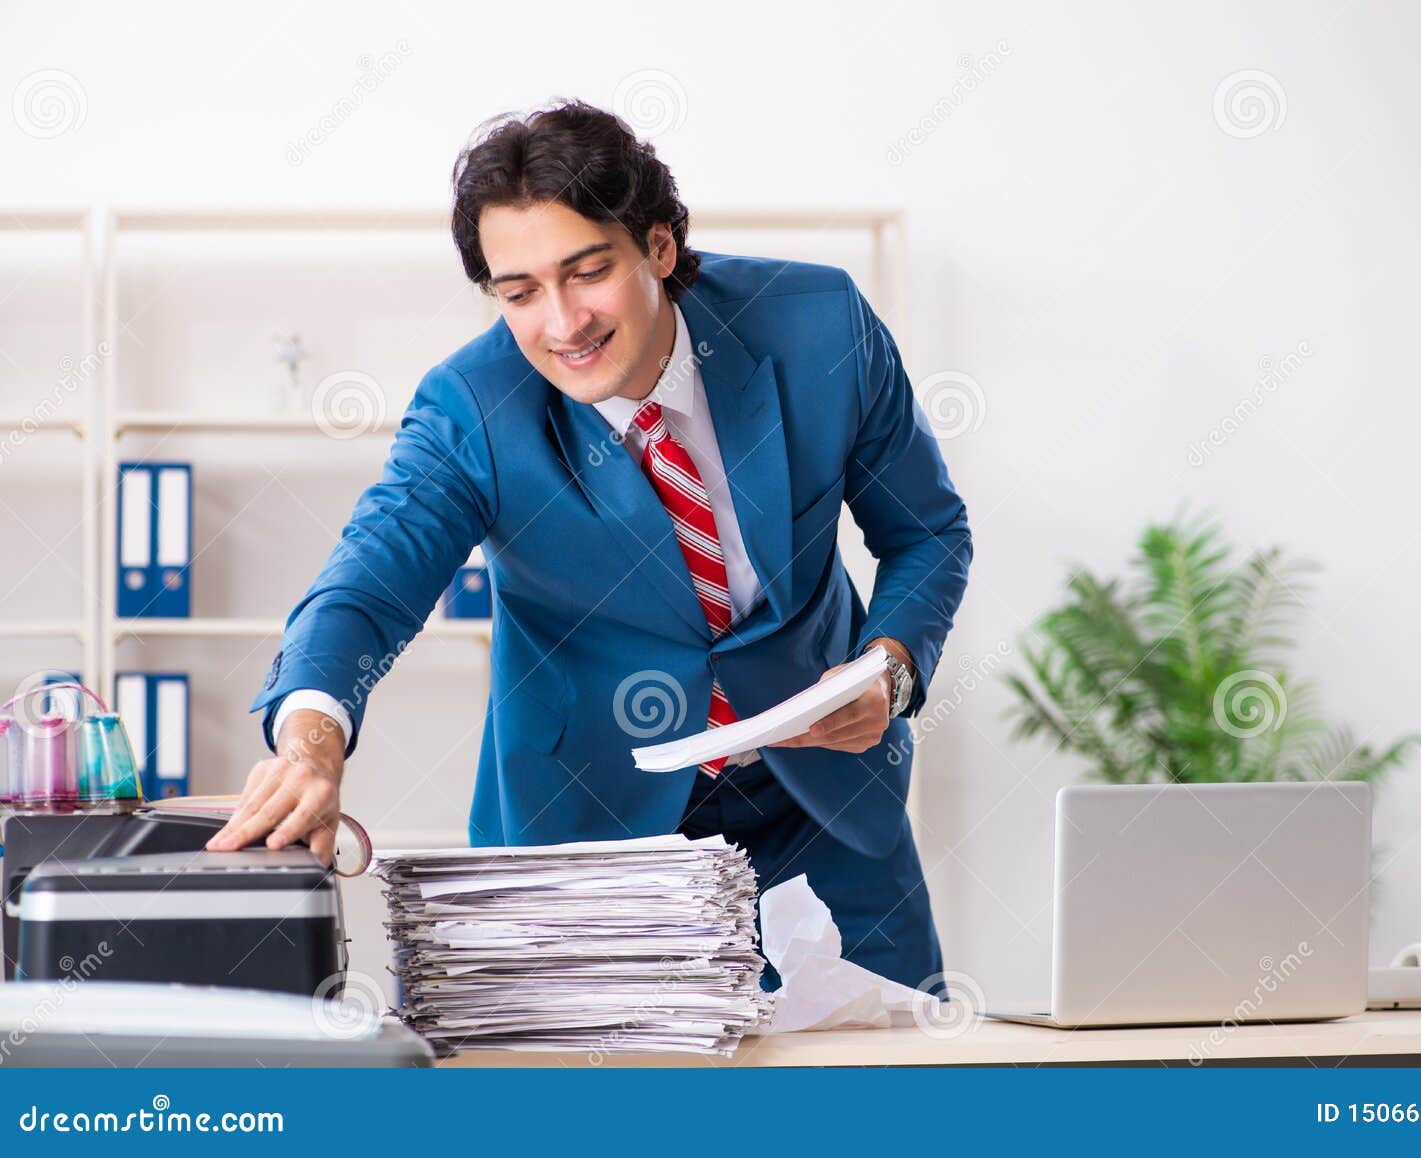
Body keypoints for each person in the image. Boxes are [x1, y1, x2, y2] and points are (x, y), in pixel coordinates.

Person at [207, 99, 972, 990]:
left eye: (589, 271)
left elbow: (927, 532)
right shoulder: (472, 408)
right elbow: (366, 590)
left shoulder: (819, 327)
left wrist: (889, 670)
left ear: (659, 246)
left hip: (825, 805)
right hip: (587, 835)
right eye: (520, 292)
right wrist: (310, 744)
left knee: (892, 1069)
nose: (564, 322)